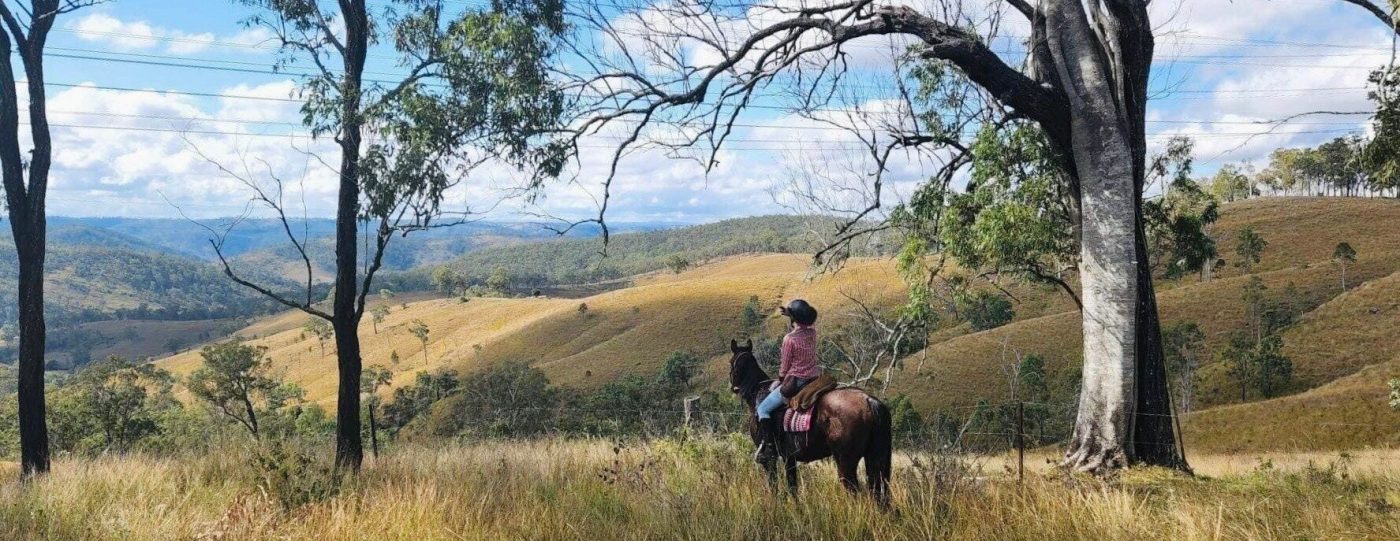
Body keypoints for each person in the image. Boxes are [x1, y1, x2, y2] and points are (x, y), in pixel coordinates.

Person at [755, 299, 821, 462]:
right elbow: (803, 325)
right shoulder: (812, 333)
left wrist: (780, 380)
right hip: (813, 378)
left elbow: (784, 367)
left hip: (796, 382)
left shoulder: (789, 339)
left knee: (762, 409)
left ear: (794, 318)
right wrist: (791, 314)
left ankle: (770, 448)